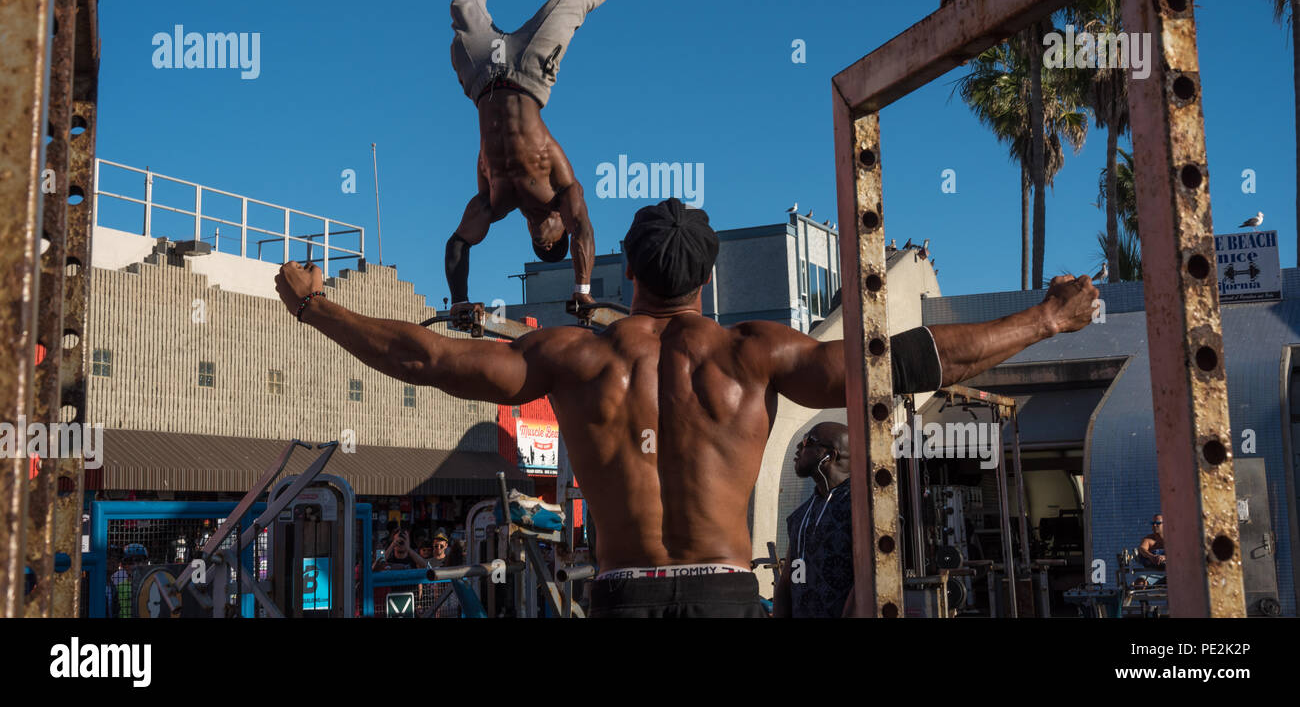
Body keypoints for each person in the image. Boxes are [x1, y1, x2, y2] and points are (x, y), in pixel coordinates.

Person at [277, 198, 1097, 617]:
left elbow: (428, 358)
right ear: (710, 278)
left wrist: (317, 308)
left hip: (625, 593)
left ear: (629, 273)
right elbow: (907, 360)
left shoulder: (575, 355)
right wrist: (1047, 319)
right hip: (727, 596)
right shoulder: (755, 354)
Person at [445, 0, 652, 315]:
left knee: (461, 11)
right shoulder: (563, 192)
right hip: (528, 71)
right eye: (551, 243)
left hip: (483, 78)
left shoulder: (497, 200)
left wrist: (458, 301)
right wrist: (583, 288)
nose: (541, 239)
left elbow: (459, 242)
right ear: (562, 227)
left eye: (537, 245)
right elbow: (585, 229)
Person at [772, 422, 855, 618]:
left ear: (830, 455)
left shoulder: (861, 505)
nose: (799, 448)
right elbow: (787, 582)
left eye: (808, 442)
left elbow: (866, 580)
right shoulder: (801, 515)